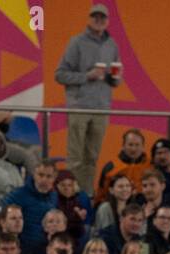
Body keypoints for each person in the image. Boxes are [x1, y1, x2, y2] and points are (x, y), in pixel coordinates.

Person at [54, 5, 122, 194]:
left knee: (92, 157)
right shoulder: (76, 42)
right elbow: (60, 75)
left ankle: (86, 196)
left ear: (108, 21)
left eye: (103, 17)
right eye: (95, 17)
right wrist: (87, 76)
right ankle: (70, 195)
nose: (99, 20)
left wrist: (115, 79)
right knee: (75, 158)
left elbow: (116, 79)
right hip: (79, 106)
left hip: (102, 108)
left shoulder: (112, 45)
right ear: (88, 19)